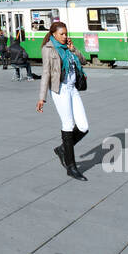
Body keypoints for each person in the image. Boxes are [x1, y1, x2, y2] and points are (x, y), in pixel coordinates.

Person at [38, 21, 89, 181]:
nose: (65, 36)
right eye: (62, 34)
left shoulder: (68, 48)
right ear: (54, 34)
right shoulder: (48, 49)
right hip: (60, 90)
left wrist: (74, 49)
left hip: (73, 89)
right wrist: (42, 98)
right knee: (68, 125)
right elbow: (46, 73)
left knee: (83, 126)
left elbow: (84, 61)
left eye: (66, 33)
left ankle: (62, 149)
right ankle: (71, 166)